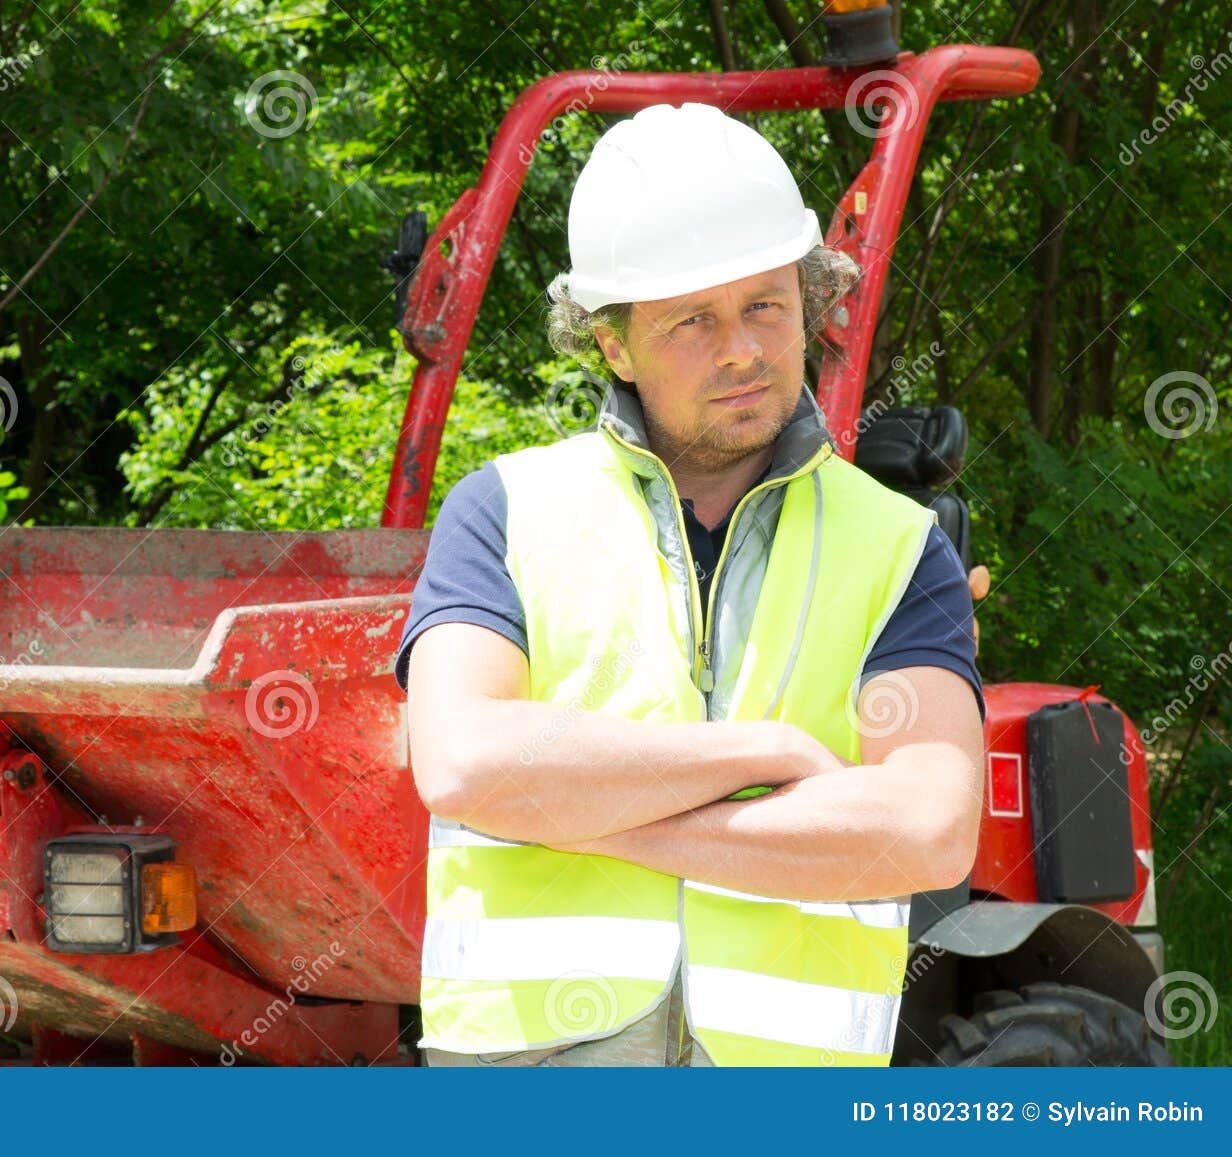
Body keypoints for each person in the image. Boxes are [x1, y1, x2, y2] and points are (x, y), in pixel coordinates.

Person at [397, 102, 985, 1067]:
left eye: (766, 303)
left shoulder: (896, 544)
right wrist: (766, 749)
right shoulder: (505, 508)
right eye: (692, 321)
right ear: (613, 342)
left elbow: (925, 828)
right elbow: (466, 765)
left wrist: (593, 819)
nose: (744, 349)